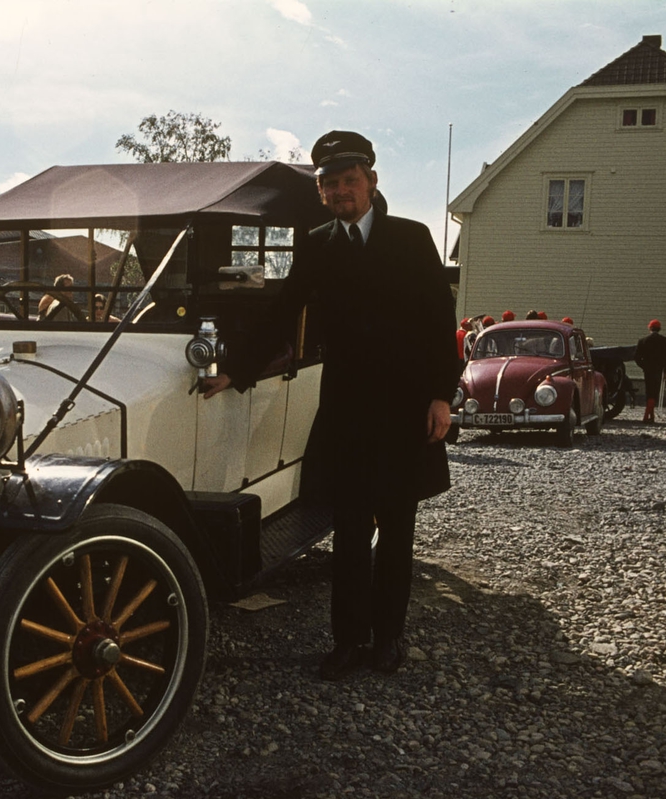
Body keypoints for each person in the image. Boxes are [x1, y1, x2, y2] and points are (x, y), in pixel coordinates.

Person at [202, 130, 457, 681]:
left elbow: (440, 320)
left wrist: (442, 394)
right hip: (347, 412)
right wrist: (237, 370)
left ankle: (388, 639)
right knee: (346, 530)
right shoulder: (318, 244)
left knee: (396, 529)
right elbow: (281, 311)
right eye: (331, 184)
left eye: (350, 180)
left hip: (405, 408)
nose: (341, 191)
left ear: (370, 182)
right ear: (320, 192)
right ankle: (347, 642)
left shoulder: (410, 239)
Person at [634, 319, 666, 422]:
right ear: (659, 329)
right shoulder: (664, 340)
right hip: (658, 370)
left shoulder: (643, 340)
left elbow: (636, 356)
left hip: (648, 370)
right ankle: (648, 415)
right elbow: (665, 356)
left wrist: (644, 366)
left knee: (649, 391)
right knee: (655, 391)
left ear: (650, 328)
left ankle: (649, 415)